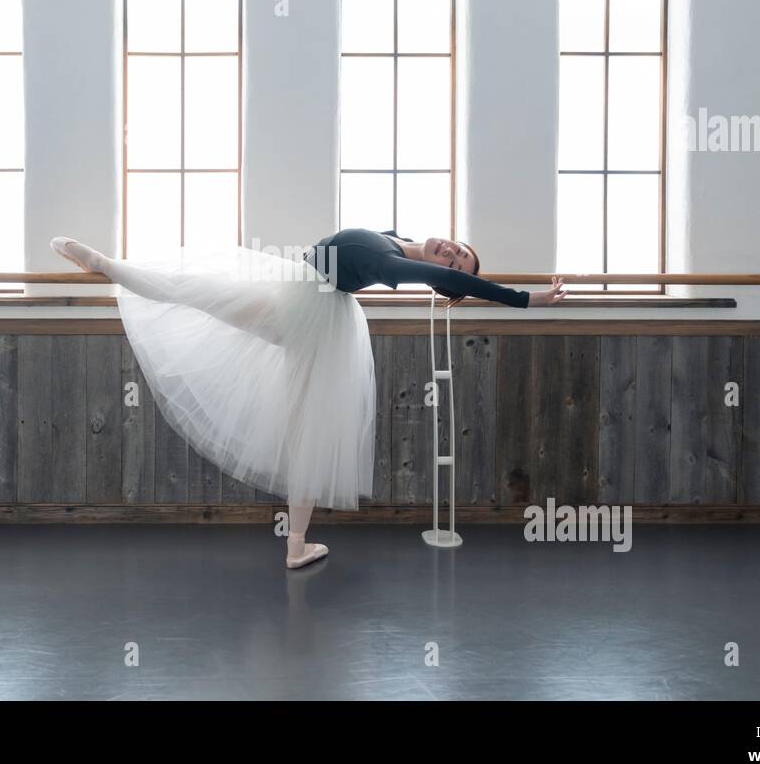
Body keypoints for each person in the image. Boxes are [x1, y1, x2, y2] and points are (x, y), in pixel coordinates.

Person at [52, 229, 565, 568]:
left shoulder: (397, 266)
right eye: (456, 246)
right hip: (304, 299)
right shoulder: (397, 239)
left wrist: (529, 299)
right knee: (297, 419)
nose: (450, 253)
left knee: (202, 295)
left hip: (308, 314)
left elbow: (452, 282)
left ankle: (106, 265)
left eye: (459, 262)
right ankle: (296, 546)